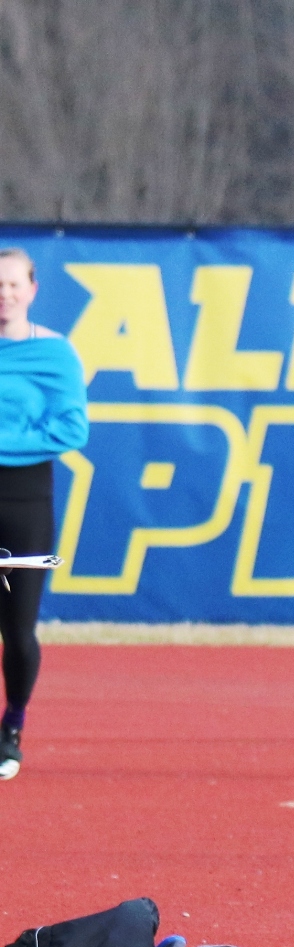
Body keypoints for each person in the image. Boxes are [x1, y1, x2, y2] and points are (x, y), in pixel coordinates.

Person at [0, 248, 89, 781]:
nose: (3, 293)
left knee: (18, 630)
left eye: (13, 284)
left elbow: (72, 430)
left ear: (32, 291)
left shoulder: (56, 354)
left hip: (26, 504)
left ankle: (11, 728)